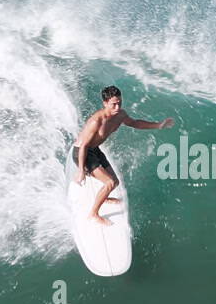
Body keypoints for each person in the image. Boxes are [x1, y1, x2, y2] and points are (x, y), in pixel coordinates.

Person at [73, 86, 174, 225]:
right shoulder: (96, 121)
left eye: (119, 102)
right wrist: (81, 171)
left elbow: (135, 123)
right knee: (110, 183)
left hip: (94, 149)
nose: (117, 106)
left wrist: (158, 125)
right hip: (82, 152)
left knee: (115, 182)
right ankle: (94, 214)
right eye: (113, 104)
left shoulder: (120, 115)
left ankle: (104, 197)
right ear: (105, 103)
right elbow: (83, 145)